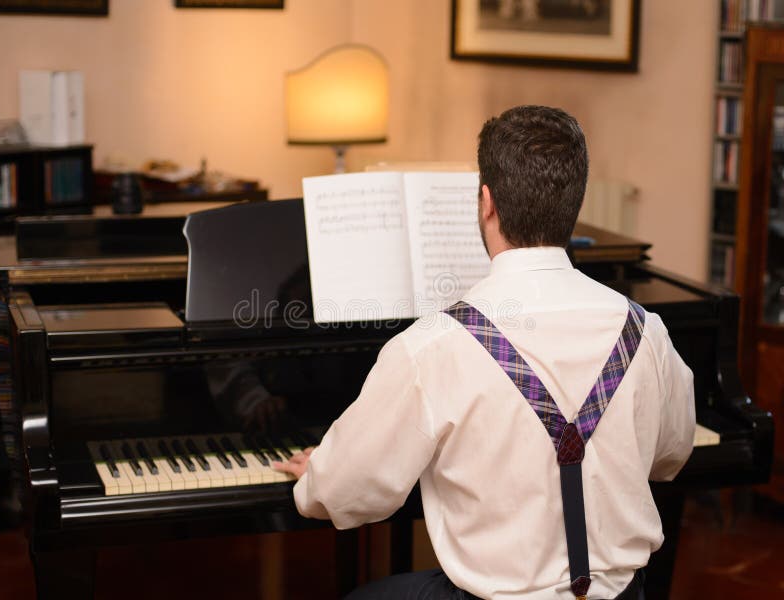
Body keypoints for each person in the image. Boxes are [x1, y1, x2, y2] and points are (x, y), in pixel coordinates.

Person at [272, 105, 695, 600]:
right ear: (574, 205)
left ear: (486, 202)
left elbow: (345, 492)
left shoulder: (432, 345)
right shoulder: (644, 331)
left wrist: (320, 474)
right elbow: (671, 456)